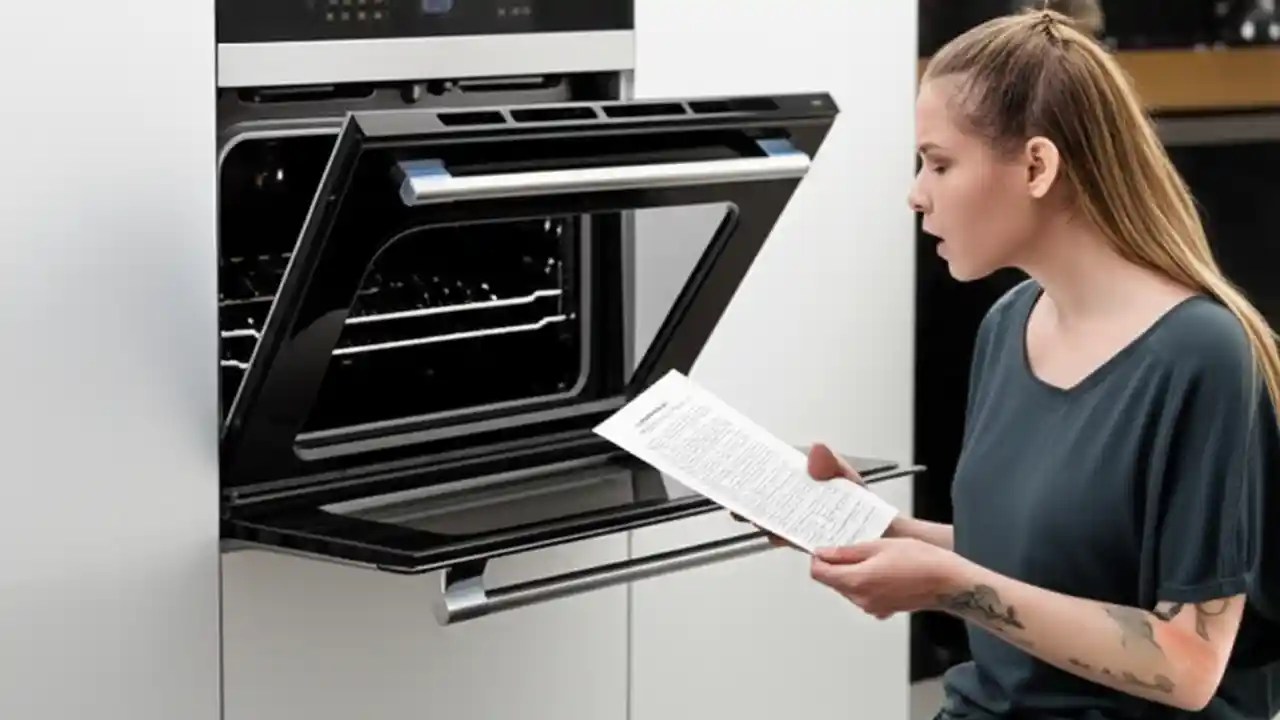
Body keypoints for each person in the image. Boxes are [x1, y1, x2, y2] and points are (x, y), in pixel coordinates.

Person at [792, 6, 1280, 719]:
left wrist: (946, 585)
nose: (915, 192)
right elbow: (1047, 558)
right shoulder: (1010, 324)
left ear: (1036, 164)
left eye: (938, 162)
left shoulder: (1201, 356)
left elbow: (1189, 663)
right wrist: (868, 526)